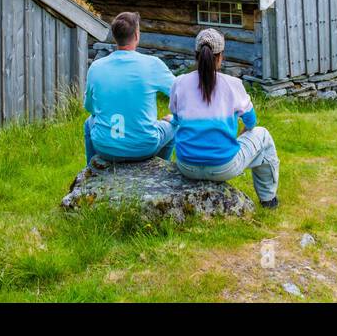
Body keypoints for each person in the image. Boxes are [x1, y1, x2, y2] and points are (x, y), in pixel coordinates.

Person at [169, 28, 280, 208]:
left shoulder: (179, 82)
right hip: (223, 167)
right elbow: (251, 121)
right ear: (220, 57)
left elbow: (176, 118)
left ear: (196, 55)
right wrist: (243, 132)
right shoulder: (233, 85)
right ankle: (268, 199)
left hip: (186, 165)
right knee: (263, 135)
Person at [82, 11, 175, 168]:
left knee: (88, 123)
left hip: (105, 148)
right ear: (137, 35)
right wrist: (175, 118)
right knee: (174, 126)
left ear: (115, 36)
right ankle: (159, 169)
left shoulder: (96, 67)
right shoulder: (153, 64)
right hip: (145, 147)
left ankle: (91, 171)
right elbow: (180, 93)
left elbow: (89, 108)